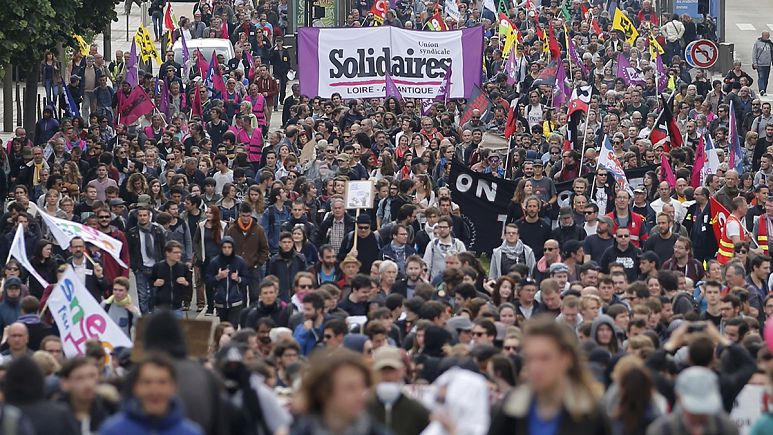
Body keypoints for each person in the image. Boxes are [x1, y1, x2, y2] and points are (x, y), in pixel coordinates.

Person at [488, 316, 609, 435]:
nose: (535, 367)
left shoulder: (590, 414)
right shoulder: (510, 409)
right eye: (530, 359)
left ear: (565, 359)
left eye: (544, 358)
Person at [292, 348, 389, 435]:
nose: (361, 395)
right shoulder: (299, 429)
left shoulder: (378, 431)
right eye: (350, 388)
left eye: (363, 387)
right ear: (324, 391)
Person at [100, 354, 203, 435]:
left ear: (174, 387)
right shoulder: (113, 431)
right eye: (147, 382)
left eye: (162, 382)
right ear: (136, 387)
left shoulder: (191, 433)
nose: (155, 391)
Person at [645, 366, 738, 435]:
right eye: (693, 409)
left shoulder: (727, 429)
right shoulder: (661, 430)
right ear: (679, 397)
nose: (700, 413)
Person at [206, 236, 248, 324]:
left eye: (229, 247)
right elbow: (208, 281)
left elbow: (247, 280)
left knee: (233, 327)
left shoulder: (240, 261)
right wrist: (218, 277)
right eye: (224, 247)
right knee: (223, 327)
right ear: (221, 248)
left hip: (236, 301)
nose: (227, 250)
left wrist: (238, 279)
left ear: (233, 248)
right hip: (220, 302)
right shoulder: (214, 262)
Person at [752, 31, 773, 96]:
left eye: (768, 35)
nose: (767, 37)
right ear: (763, 36)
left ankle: (764, 90)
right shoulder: (757, 43)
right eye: (766, 35)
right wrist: (755, 63)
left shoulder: (770, 43)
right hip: (760, 64)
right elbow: (754, 53)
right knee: (761, 77)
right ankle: (761, 89)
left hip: (768, 64)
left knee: (766, 78)